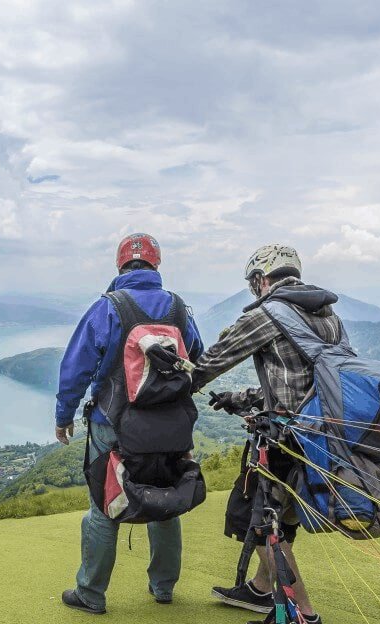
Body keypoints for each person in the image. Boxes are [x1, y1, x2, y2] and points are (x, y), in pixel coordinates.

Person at [54, 233, 204, 615]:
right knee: (165, 501)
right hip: (170, 426)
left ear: (120, 266)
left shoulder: (107, 308)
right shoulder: (178, 309)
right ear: (157, 265)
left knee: (104, 507)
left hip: (115, 424)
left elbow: (75, 369)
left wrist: (63, 416)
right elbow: (197, 357)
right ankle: (164, 587)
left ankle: (91, 593)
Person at [192, 244, 342, 624]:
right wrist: (240, 398)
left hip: (284, 441)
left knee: (254, 522)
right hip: (319, 436)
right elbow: (304, 383)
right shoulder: (328, 316)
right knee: (284, 520)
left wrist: (177, 379)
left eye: (252, 283)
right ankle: (261, 590)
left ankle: (302, 614)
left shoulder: (268, 313)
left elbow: (213, 360)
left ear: (261, 279)